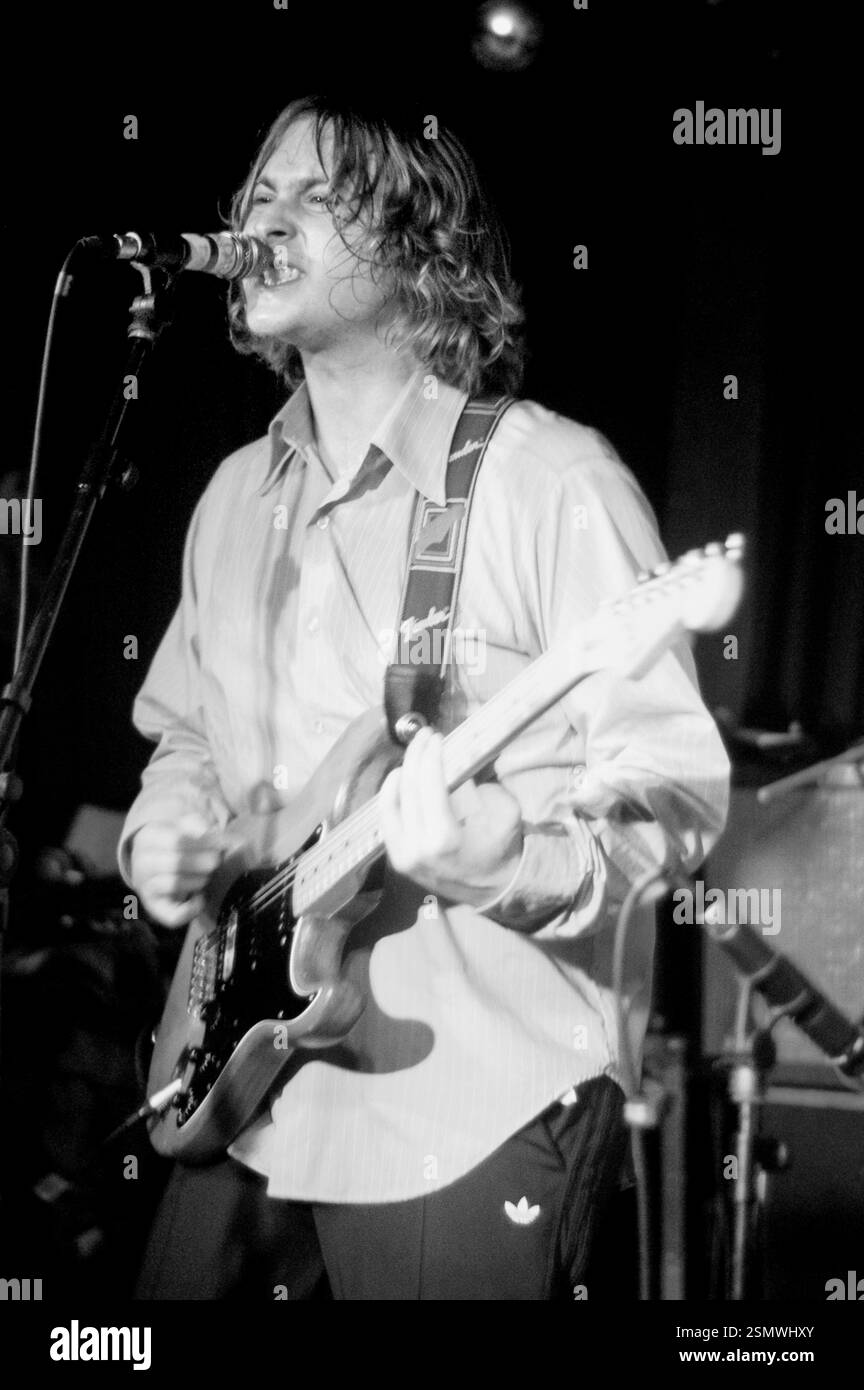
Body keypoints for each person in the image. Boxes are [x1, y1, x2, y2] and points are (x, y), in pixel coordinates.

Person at [119, 94, 729, 1300]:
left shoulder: (548, 479)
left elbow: (675, 795)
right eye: (257, 193)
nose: (260, 219)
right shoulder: (235, 496)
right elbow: (182, 736)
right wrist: (163, 841)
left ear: (416, 245)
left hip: (468, 1103)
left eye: (312, 195)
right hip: (234, 1097)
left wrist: (505, 856)